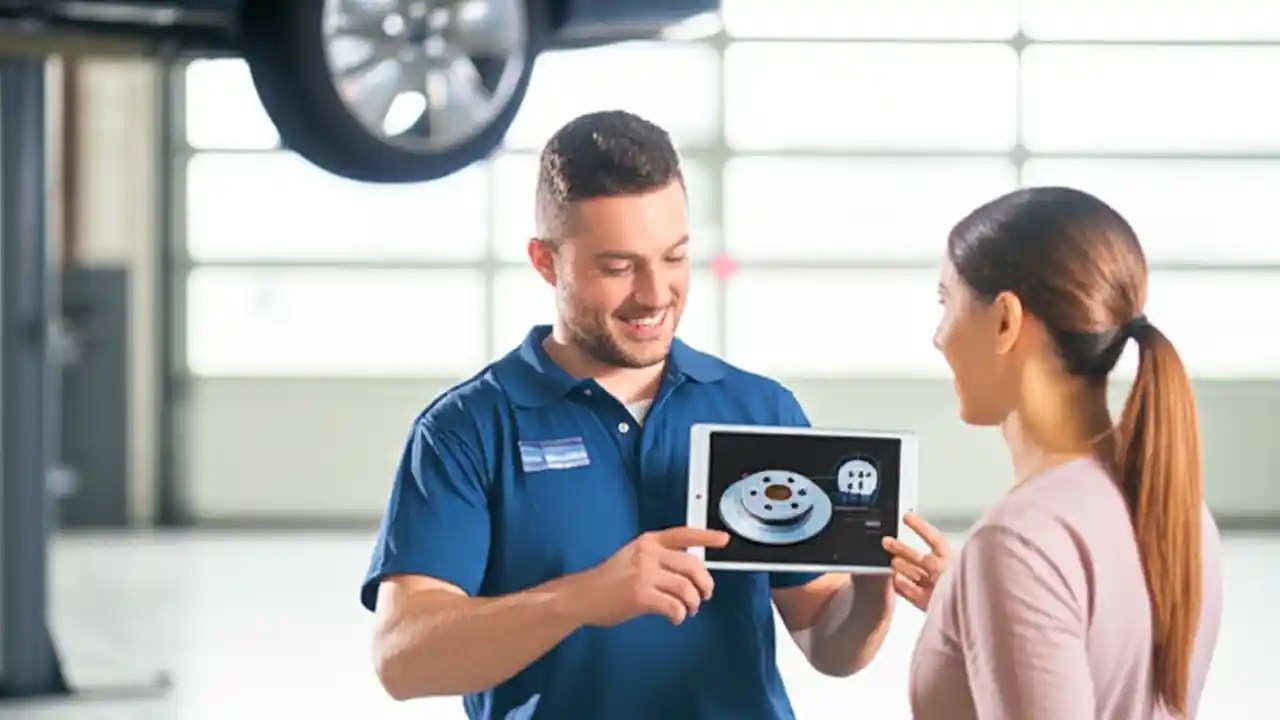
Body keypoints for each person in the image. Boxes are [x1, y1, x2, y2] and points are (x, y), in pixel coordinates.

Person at [359, 110, 897, 720]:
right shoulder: (466, 430)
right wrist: (584, 598)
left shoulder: (759, 409)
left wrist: (872, 589)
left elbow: (827, 643)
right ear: (545, 262)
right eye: (618, 267)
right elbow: (403, 660)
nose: (655, 294)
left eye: (674, 258)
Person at [883, 186, 1224, 719]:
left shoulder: (1018, 541)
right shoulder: (1179, 510)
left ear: (1005, 321)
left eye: (946, 302)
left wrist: (1000, 577)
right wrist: (971, 608)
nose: (938, 336)